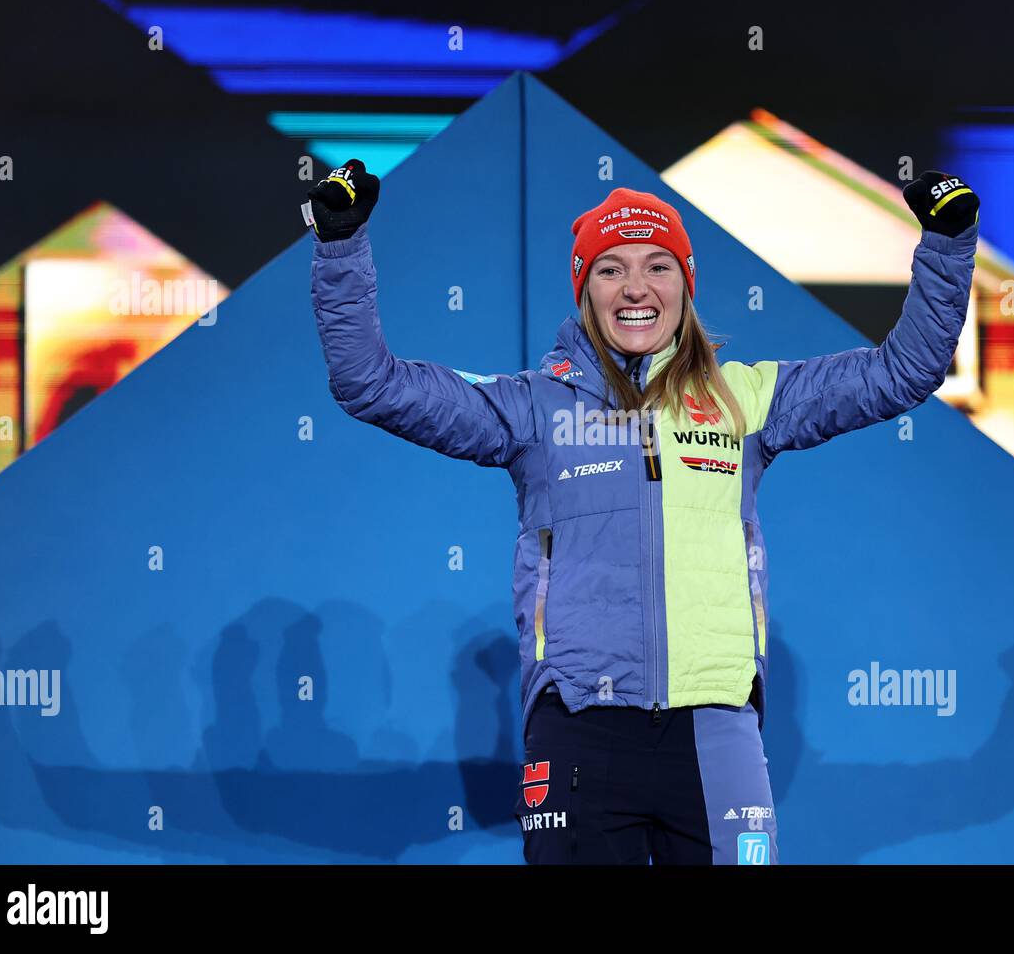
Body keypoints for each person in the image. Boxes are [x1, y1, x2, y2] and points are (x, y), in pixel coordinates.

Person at [306, 161, 979, 864]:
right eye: (610, 269)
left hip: (717, 730)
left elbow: (902, 371)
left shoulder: (745, 400)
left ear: (686, 286)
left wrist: (949, 244)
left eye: (658, 266)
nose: (635, 287)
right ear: (583, 291)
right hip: (579, 730)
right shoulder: (534, 408)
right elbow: (370, 383)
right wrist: (341, 245)